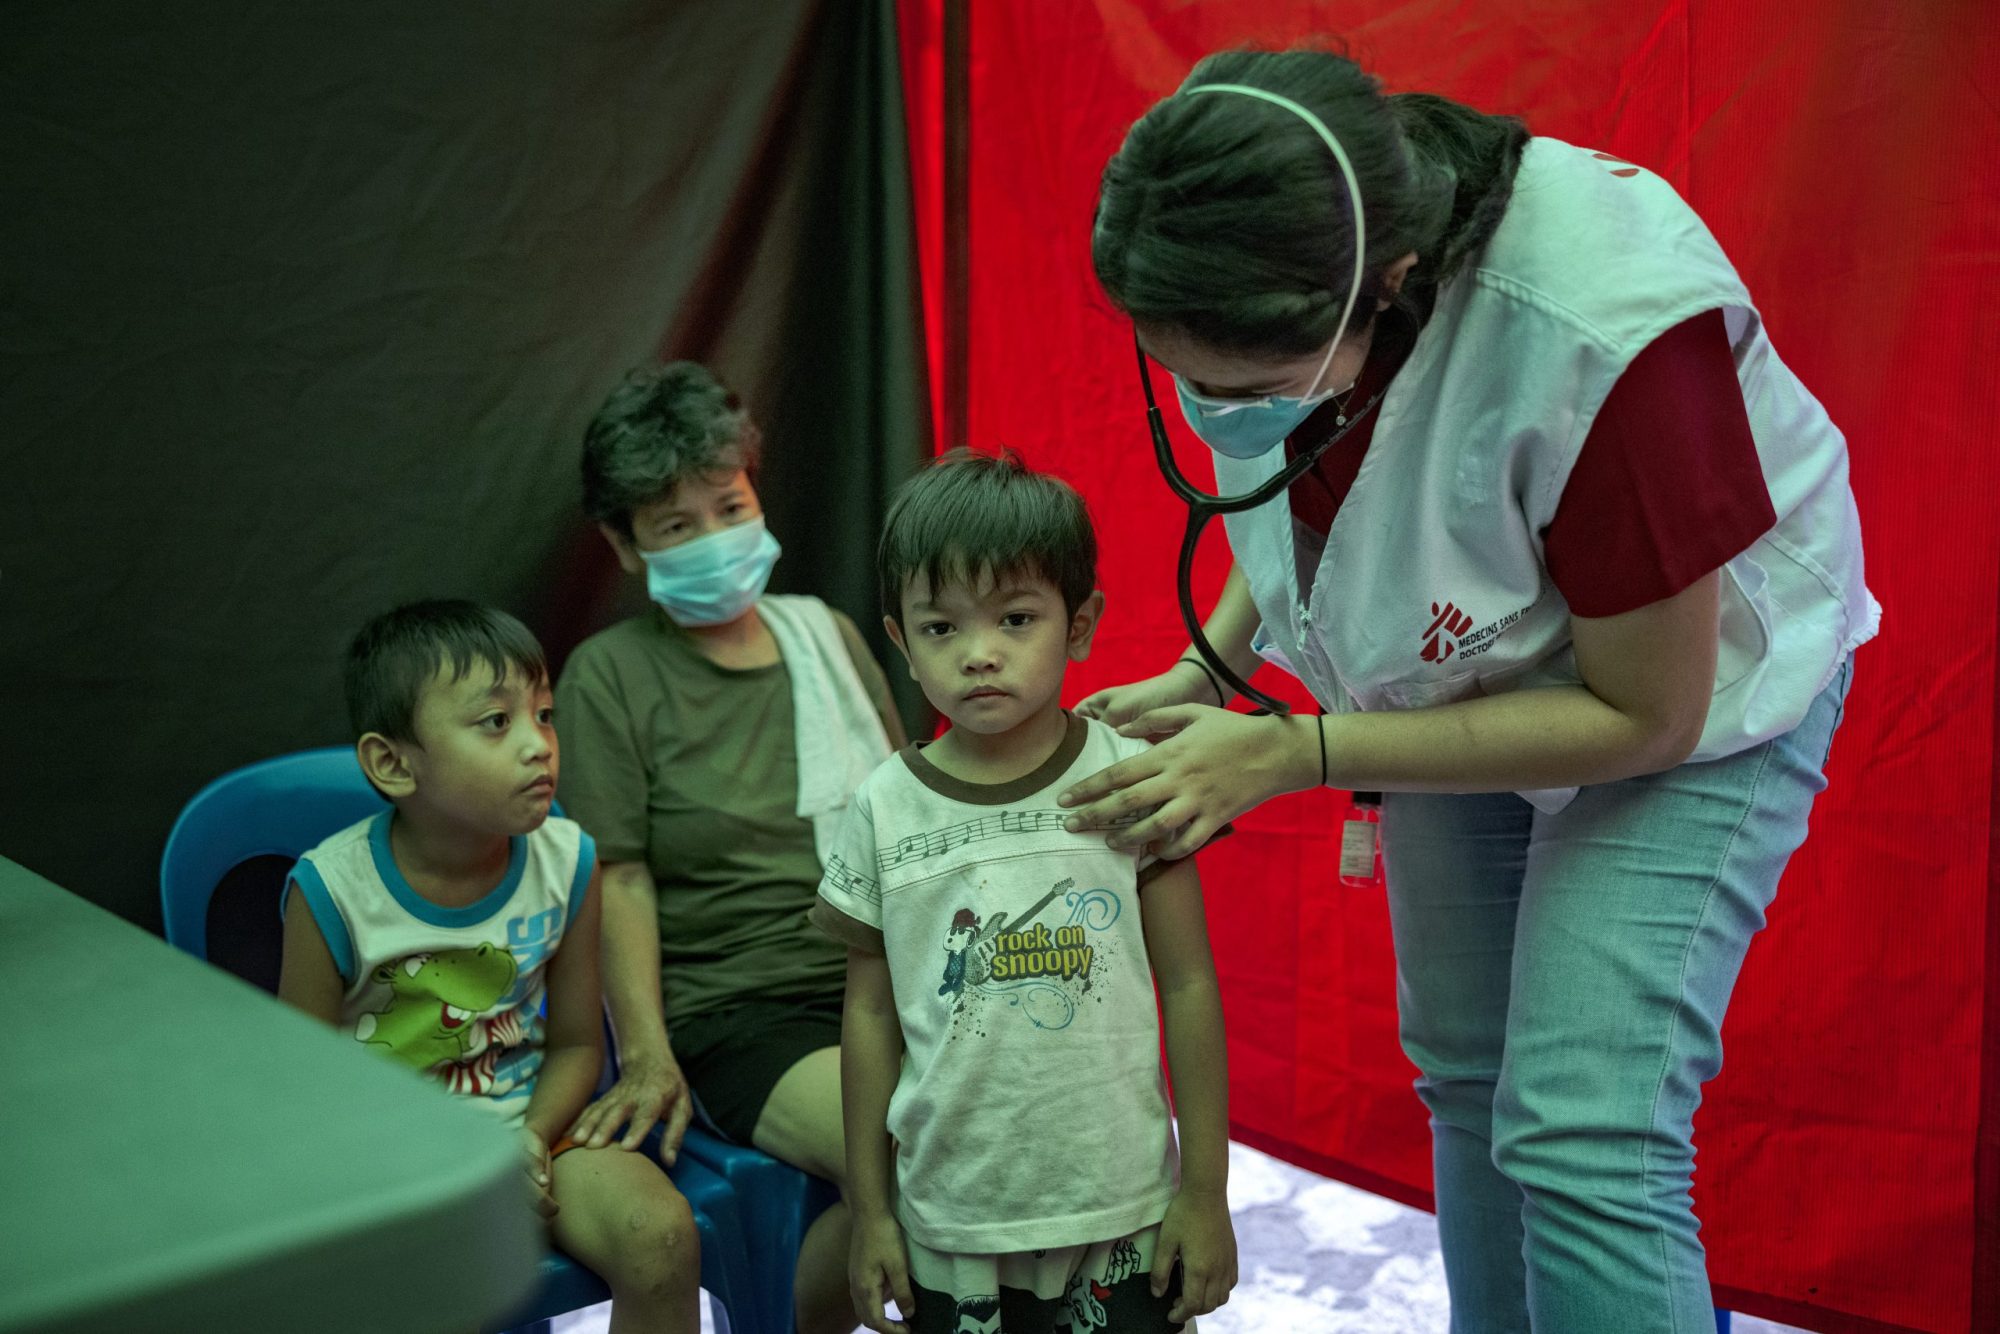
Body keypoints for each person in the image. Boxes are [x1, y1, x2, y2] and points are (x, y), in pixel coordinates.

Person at [1064, 45, 1876, 1334]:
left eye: (1249, 388)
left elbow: (1642, 714)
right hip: (1456, 668)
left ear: (1384, 287)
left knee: (1582, 1127)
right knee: (1466, 1069)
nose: (1215, 414)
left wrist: (1295, 749)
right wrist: (1205, 670)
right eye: (1187, 379)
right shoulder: (1289, 273)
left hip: (1697, 693)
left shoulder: (1604, 335)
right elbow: (1296, 495)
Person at [813, 449, 1237, 1334]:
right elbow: (869, 1017)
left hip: (1122, 1211)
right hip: (949, 1221)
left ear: (1080, 626)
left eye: (1015, 619)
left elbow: (1191, 984)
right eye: (941, 629)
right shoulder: (884, 808)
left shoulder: (1133, 784)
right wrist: (872, 1212)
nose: (979, 655)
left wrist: (1205, 1193)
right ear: (899, 639)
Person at [554, 362, 908, 1334]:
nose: (714, 539)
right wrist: (649, 1056)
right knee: (920, 1141)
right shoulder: (611, 676)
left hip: (886, 976)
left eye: (728, 505)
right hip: (740, 1012)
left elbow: (910, 806)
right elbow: (614, 879)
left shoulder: (824, 636)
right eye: (675, 525)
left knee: (1057, 1118)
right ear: (624, 545)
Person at [276, 600, 700, 1333]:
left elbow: (574, 1045)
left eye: (544, 714)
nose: (539, 745)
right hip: (384, 1153)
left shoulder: (570, 860)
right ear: (392, 763)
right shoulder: (331, 893)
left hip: (532, 1126)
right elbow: (302, 1091)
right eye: (496, 722)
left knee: (659, 1237)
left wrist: (528, 1140)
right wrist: (452, 1169)